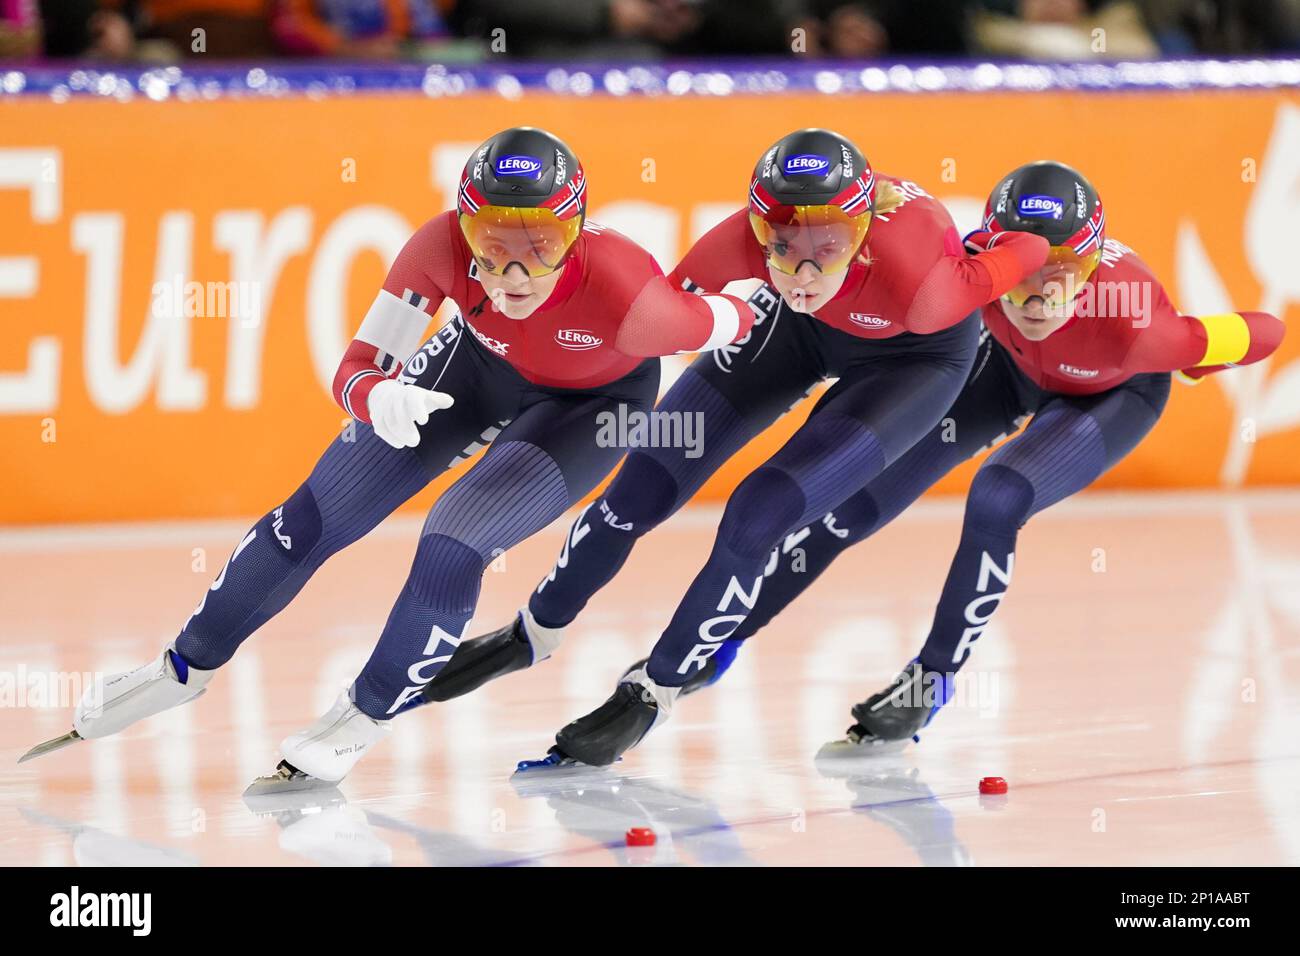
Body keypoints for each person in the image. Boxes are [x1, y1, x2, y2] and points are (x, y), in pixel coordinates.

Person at [25, 127, 756, 791]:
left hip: (592, 409)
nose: (510, 269)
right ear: (462, 225)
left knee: (451, 543)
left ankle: (363, 716)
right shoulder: (437, 248)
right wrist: (377, 398)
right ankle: (181, 666)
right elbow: (355, 366)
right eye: (489, 240)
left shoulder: (631, 293)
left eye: (539, 244)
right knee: (308, 518)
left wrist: (749, 307)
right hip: (474, 370)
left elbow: (732, 318)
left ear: (575, 232)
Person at [421, 128, 1052, 768]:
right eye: (782, 245)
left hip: (914, 361)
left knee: (760, 512)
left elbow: (1028, 246)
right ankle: (534, 632)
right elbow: (649, 321)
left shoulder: (926, 285)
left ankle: (657, 687)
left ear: (863, 235)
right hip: (793, 333)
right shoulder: (737, 244)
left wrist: (991, 247)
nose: (804, 272)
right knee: (641, 482)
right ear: (756, 229)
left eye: (827, 247)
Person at [615, 160, 1286, 753]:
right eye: (1026, 277)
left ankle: (932, 678)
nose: (1040, 299)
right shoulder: (961, 276)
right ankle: (720, 642)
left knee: (999, 495)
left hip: (1112, 394)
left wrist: (1199, 352)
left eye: (1068, 276)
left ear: (1093, 268)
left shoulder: (1138, 326)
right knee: (845, 507)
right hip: (1005, 372)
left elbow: (1268, 332)